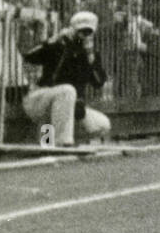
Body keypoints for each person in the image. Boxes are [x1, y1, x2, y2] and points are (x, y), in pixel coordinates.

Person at [20, 11, 111, 147]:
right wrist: (54, 39)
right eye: (81, 32)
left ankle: (65, 141)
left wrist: (91, 58)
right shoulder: (58, 46)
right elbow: (28, 56)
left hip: (68, 108)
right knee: (67, 91)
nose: (84, 36)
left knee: (103, 124)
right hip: (42, 101)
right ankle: (61, 142)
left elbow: (99, 83)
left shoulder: (90, 55)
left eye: (88, 32)